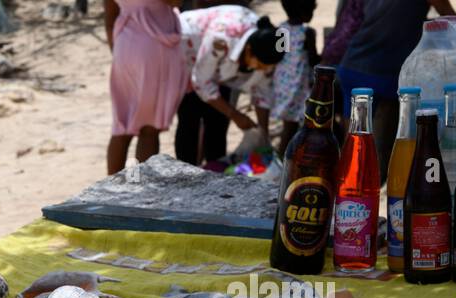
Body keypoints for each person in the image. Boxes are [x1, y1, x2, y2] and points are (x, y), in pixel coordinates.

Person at [338, 0, 456, 180]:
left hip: (354, 65)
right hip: (383, 74)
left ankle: (347, 202)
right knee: (378, 161)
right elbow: (452, 21)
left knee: (354, 156)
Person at [175, 7, 286, 167]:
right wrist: (235, 115)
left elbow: (262, 92)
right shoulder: (221, 36)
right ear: (248, 51)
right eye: (260, 65)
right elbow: (201, 82)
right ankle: (185, 172)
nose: (262, 70)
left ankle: (214, 170)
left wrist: (263, 135)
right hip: (185, 55)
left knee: (218, 122)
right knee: (190, 117)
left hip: (218, 72)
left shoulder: (266, 49)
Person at [105, 0, 186, 174]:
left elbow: (110, 16)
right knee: (149, 129)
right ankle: (141, 190)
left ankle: (109, 189)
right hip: (154, 46)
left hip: (124, 44)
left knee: (122, 125)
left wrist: (118, 51)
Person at [273, 0, 321, 155]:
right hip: (298, 85)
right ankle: (283, 160)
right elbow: (313, 60)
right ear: (304, 12)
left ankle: (283, 158)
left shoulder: (282, 29)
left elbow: (279, 55)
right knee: (292, 128)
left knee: (288, 125)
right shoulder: (307, 32)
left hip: (283, 84)